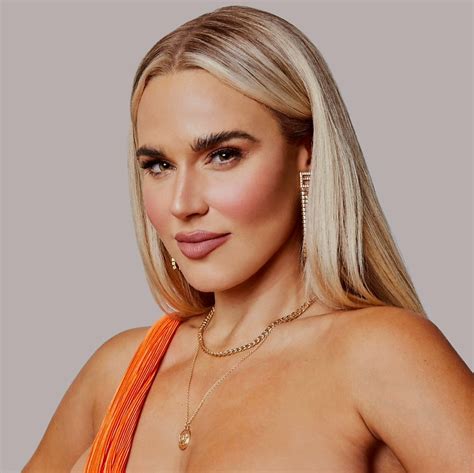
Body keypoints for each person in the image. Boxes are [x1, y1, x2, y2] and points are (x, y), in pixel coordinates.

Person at [23, 5, 472, 473]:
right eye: (159, 165)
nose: (182, 203)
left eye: (223, 155)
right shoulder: (117, 372)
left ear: (307, 153)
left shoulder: (380, 355)